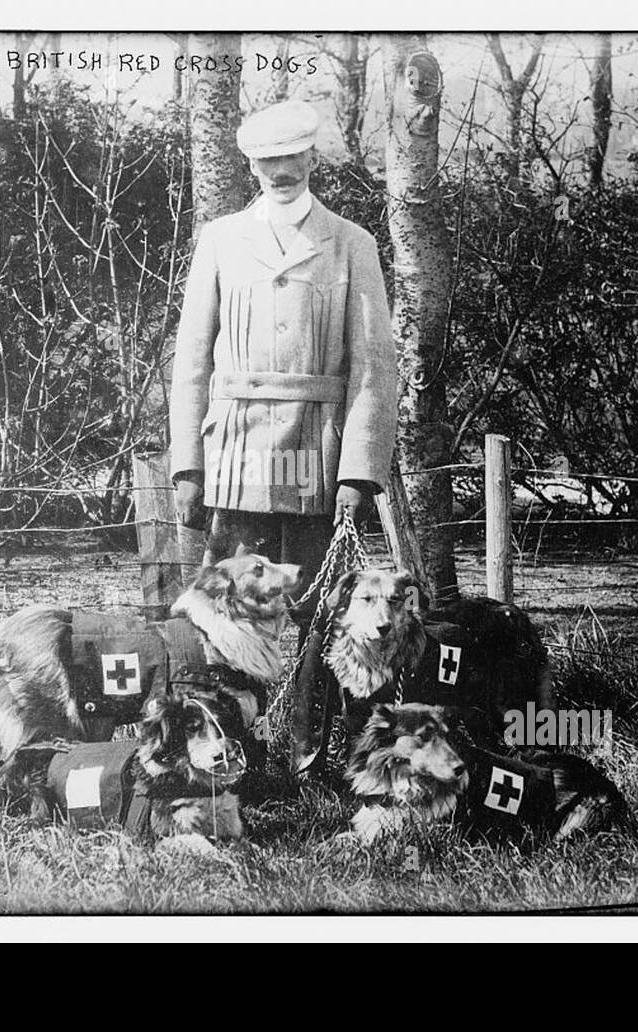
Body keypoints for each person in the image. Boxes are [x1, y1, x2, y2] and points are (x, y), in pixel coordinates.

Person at [168, 99, 397, 773]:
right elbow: (191, 361)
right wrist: (189, 465)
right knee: (228, 610)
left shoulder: (352, 243)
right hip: (235, 453)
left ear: (312, 159)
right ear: (251, 166)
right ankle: (227, 751)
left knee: (316, 610)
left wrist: (358, 471)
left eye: (292, 157)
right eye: (266, 162)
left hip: (313, 456)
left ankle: (307, 752)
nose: (280, 172)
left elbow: (376, 368)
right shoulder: (219, 238)